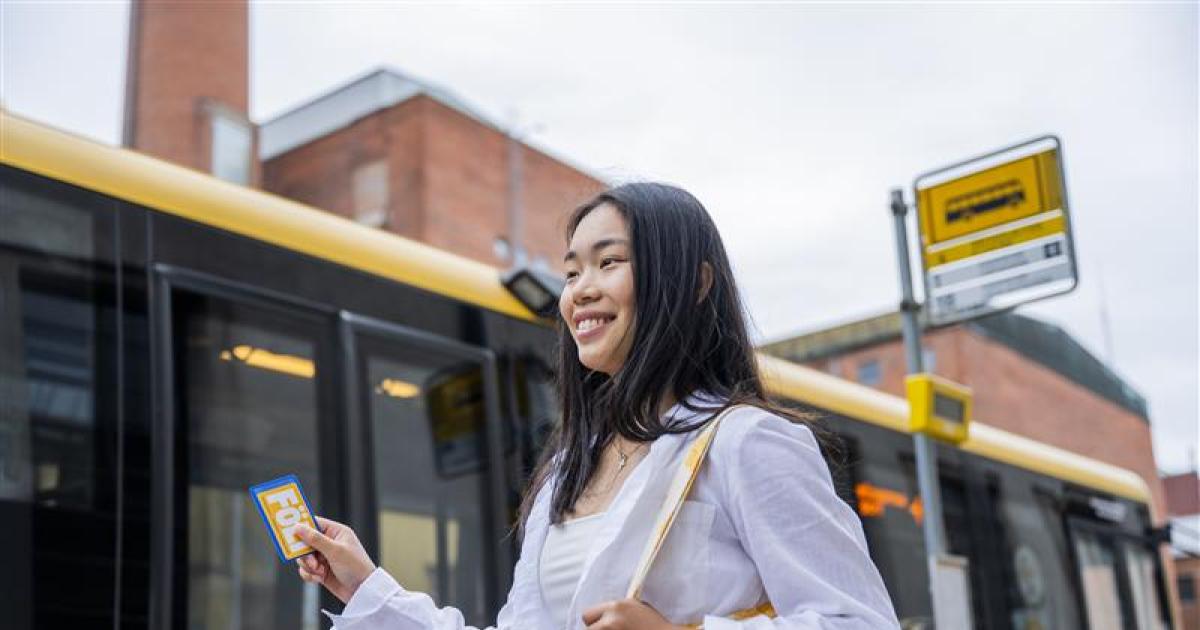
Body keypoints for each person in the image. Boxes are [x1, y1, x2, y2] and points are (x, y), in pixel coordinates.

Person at [294, 183, 900, 629]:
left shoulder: (748, 442)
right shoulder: (566, 469)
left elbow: (859, 622)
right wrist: (368, 589)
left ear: (695, 284)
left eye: (609, 263)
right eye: (572, 270)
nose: (580, 290)